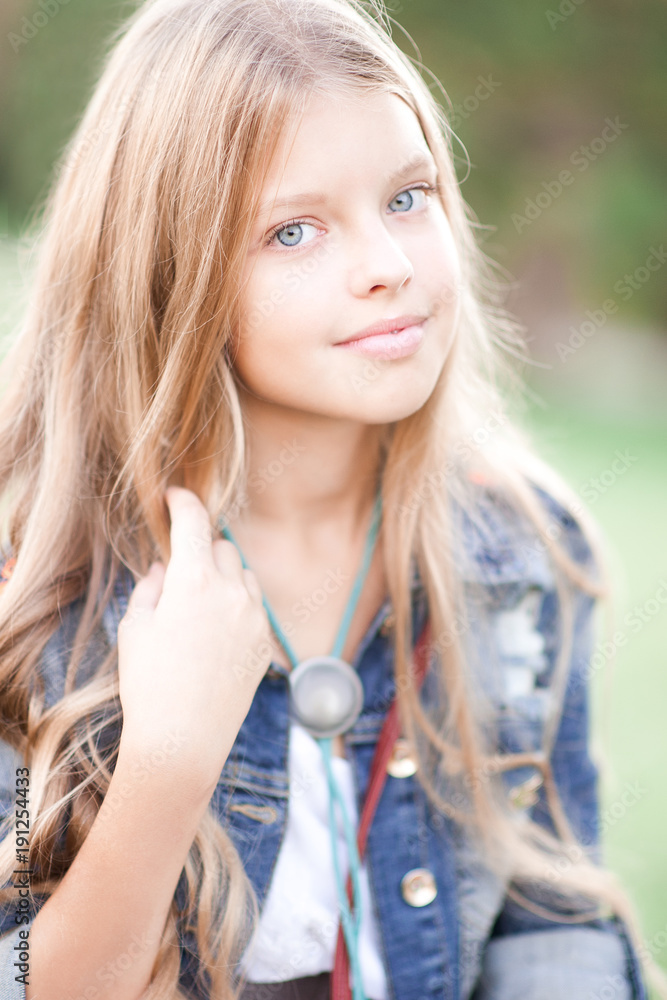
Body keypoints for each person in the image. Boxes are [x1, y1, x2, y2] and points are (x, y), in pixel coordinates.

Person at [0, 1, 663, 998]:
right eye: (294, 230)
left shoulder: (514, 547)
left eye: (407, 197)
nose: (389, 268)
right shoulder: (34, 586)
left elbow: (551, 925)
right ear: (165, 273)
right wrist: (171, 757)